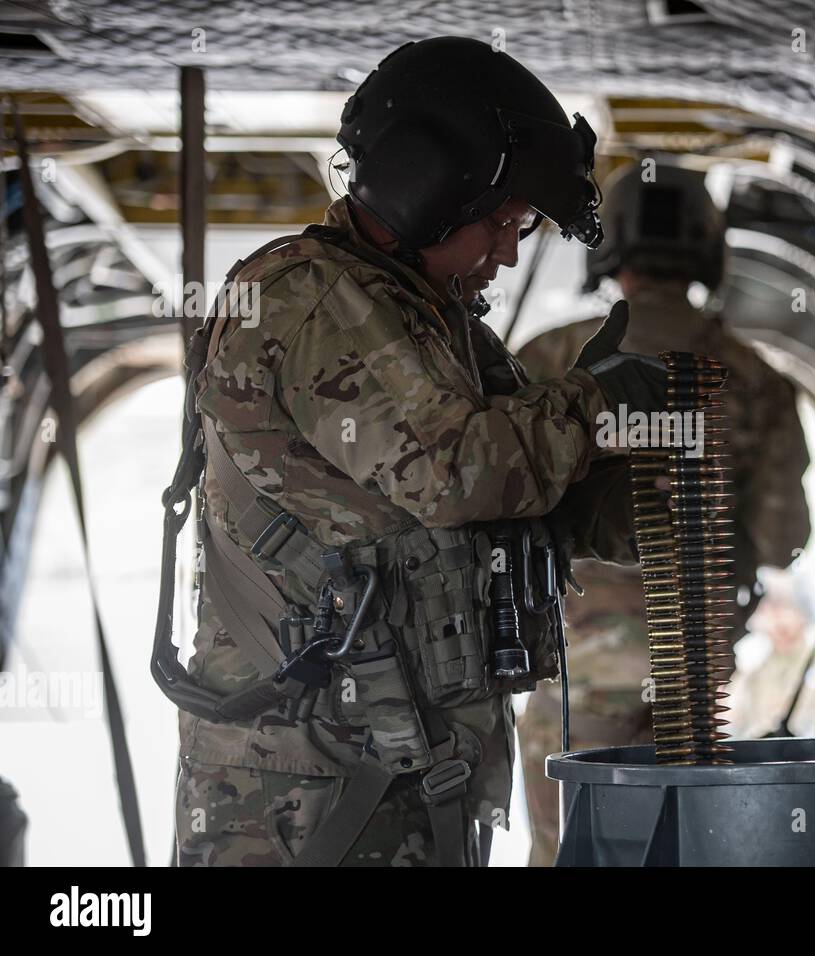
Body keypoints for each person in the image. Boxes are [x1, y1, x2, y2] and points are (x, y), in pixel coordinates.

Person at [152, 36, 666, 867]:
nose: (506, 250)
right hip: (300, 788)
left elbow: (518, 497)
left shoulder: (431, 322)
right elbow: (452, 473)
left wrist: (643, 491)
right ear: (430, 188)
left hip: (398, 761)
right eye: (503, 224)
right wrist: (595, 402)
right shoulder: (311, 298)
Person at [514, 161, 812, 865]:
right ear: (707, 246)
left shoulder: (552, 359)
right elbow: (782, 538)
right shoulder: (756, 378)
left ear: (608, 247)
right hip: (693, 681)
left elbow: (496, 507)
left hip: (574, 674)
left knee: (573, 855)